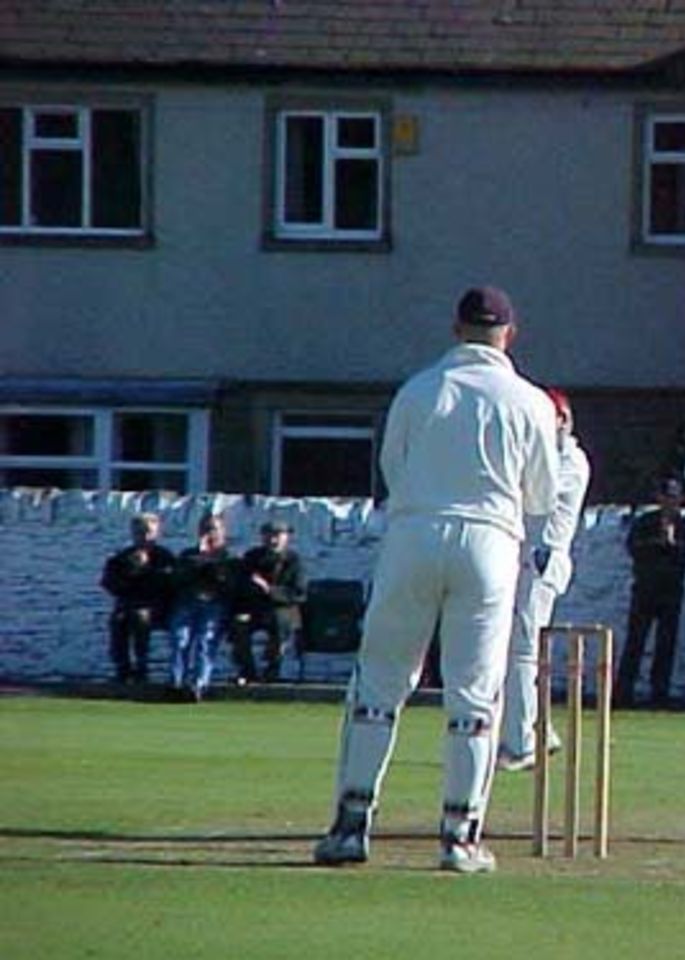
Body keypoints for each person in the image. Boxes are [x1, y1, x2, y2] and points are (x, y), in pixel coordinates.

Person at [313, 285, 558, 875]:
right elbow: (543, 494)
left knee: (379, 682)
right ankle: (459, 837)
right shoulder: (529, 402)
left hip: (414, 534)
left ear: (456, 329)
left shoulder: (420, 389)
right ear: (510, 333)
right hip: (490, 542)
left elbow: (392, 470)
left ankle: (350, 827)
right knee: (475, 692)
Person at [497, 387, 592, 771]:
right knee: (517, 648)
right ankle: (538, 728)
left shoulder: (571, 461)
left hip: (541, 560)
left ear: (563, 421)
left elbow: (535, 497)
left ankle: (520, 742)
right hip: (525, 559)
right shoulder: (545, 456)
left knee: (522, 647)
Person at [615, 476, 685, 706]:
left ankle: (659, 692)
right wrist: (658, 544)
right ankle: (624, 691)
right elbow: (634, 548)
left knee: (666, 644)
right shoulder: (645, 523)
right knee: (635, 642)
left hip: (671, 592)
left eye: (674, 498)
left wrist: (672, 546)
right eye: (666, 498)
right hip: (645, 589)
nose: (670, 503)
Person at [168, 512, 238, 701]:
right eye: (205, 529)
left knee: (205, 640)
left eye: (213, 529)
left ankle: (199, 684)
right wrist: (200, 556)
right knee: (180, 638)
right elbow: (177, 579)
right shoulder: (187, 555)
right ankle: (177, 682)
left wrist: (209, 563)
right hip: (188, 603)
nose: (209, 533)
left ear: (223, 532)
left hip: (214, 604)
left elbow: (227, 583)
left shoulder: (229, 557)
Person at [100, 513, 175, 684]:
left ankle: (142, 667)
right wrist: (131, 571)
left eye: (149, 532)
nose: (145, 537)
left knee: (140, 617)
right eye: (140, 533)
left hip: (158, 608)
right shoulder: (121, 557)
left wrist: (147, 570)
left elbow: (169, 585)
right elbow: (110, 584)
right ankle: (123, 668)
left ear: (157, 533)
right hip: (129, 605)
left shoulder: (164, 557)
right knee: (118, 620)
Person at [230, 520, 307, 683]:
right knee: (239, 625)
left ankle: (272, 669)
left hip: (283, 610)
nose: (273, 541)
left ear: (287, 538)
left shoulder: (294, 561)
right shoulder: (252, 557)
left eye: (278, 536)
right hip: (255, 608)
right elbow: (241, 585)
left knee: (280, 625)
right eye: (269, 536)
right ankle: (247, 670)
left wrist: (269, 589)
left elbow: (298, 593)